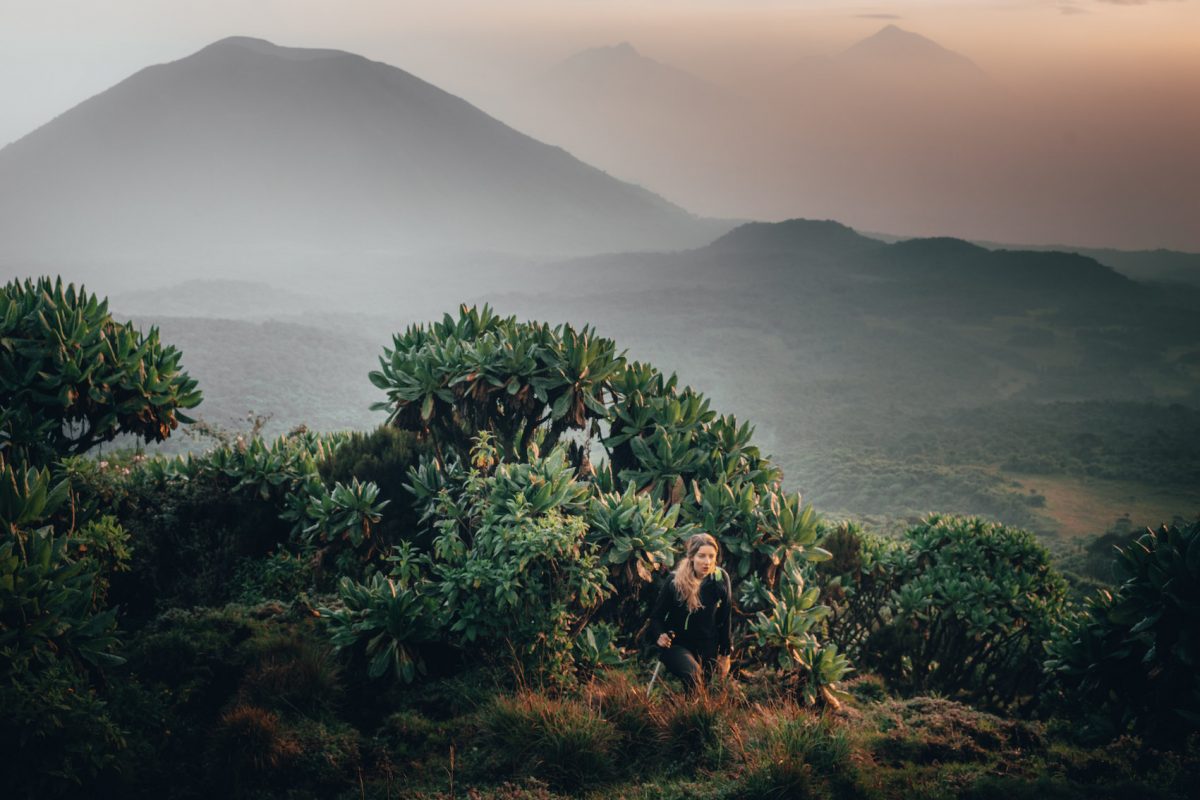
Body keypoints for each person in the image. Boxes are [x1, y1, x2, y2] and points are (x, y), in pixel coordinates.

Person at [647, 532, 733, 692]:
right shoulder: (674, 580)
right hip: (677, 644)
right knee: (693, 676)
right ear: (692, 556)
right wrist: (660, 635)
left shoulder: (721, 579)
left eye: (711, 556)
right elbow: (656, 617)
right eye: (701, 556)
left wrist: (725, 654)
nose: (707, 562)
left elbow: (725, 618)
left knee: (700, 692)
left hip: (708, 646)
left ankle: (685, 715)